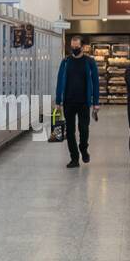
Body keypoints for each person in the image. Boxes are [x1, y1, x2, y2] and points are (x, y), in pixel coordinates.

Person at [53, 34, 99, 168]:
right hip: (68, 102)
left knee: (84, 129)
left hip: (84, 102)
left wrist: (96, 102)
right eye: (72, 47)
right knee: (70, 131)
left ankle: (83, 148)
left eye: (77, 47)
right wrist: (58, 100)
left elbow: (95, 83)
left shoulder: (89, 62)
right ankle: (74, 158)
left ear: (83, 47)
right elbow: (60, 81)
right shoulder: (66, 61)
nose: (74, 49)